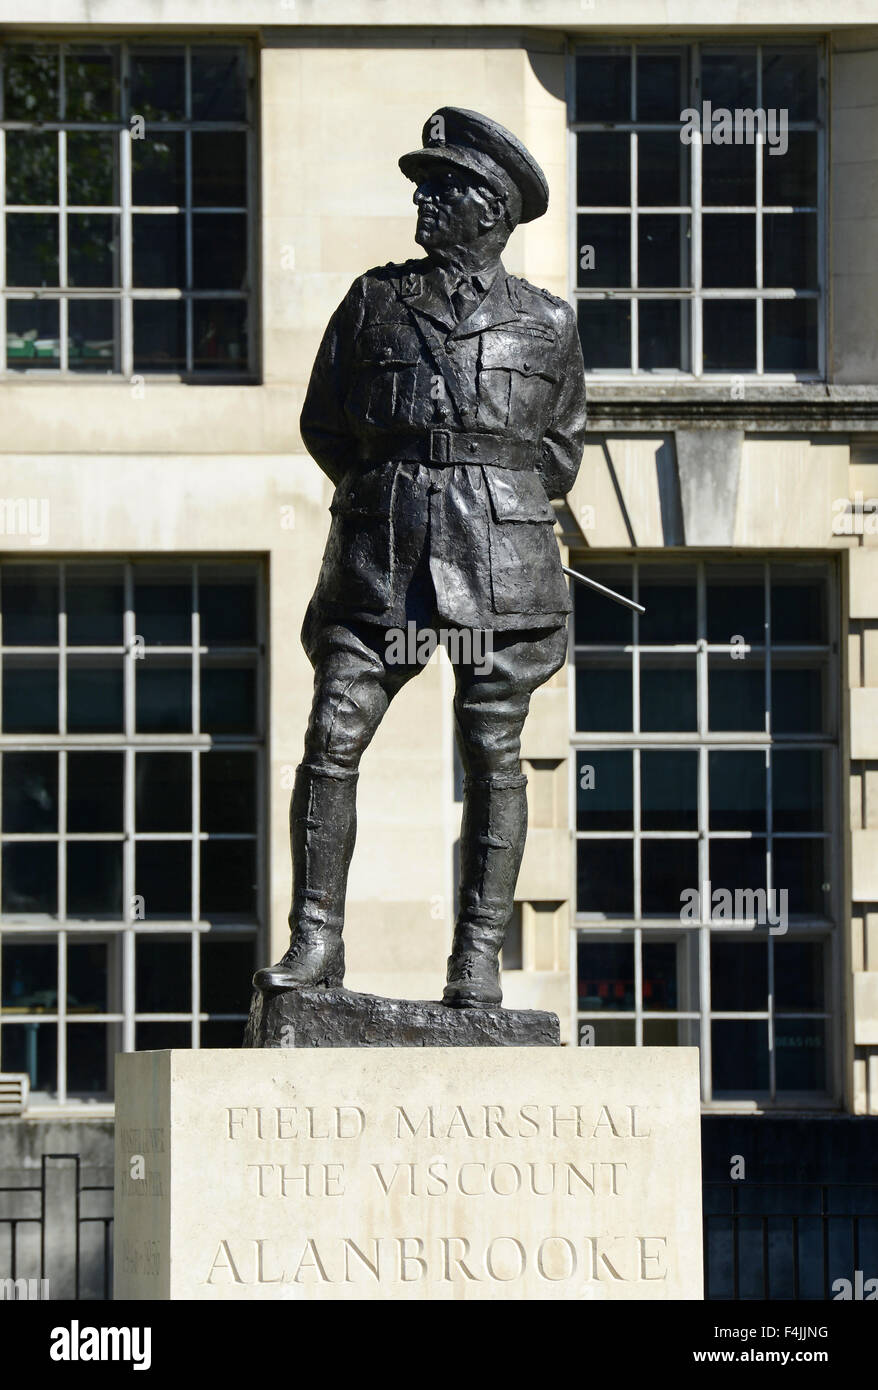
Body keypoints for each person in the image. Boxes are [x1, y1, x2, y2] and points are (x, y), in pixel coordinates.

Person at [255, 107, 587, 1007]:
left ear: (491, 207)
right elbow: (326, 425)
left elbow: (558, 452)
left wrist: (483, 493)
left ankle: (477, 959)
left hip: (501, 567)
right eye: (424, 183)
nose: (423, 197)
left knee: (494, 752)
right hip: (382, 559)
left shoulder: (547, 323)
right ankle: (316, 943)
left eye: (442, 186)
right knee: (333, 738)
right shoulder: (373, 301)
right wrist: (395, 489)